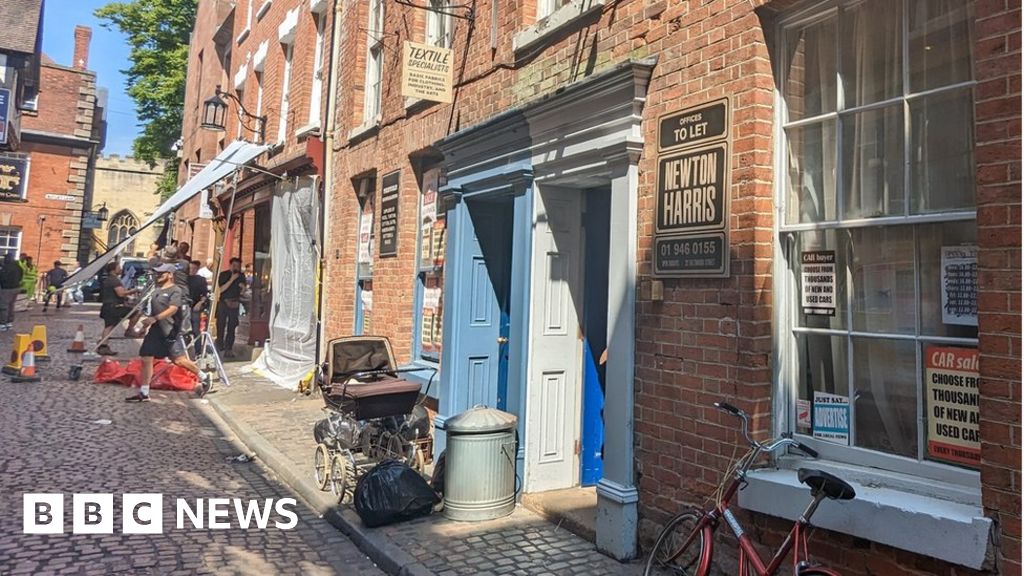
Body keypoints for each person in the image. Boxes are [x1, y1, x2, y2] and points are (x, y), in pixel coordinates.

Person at [126, 263, 210, 402]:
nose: (158, 275)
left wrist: (155, 318)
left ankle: (204, 376)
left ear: (170, 275)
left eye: (162, 273)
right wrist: (145, 327)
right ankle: (144, 392)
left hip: (170, 331)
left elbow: (173, 309)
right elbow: (152, 311)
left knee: (178, 360)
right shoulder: (156, 290)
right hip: (155, 331)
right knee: (146, 357)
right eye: (157, 273)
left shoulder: (175, 290)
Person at [97, 261, 140, 356]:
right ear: (113, 270)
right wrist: (134, 290)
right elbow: (121, 293)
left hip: (108, 307)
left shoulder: (110, 279)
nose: (120, 269)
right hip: (113, 307)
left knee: (109, 327)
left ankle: (103, 346)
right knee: (137, 312)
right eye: (118, 267)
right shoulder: (114, 280)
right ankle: (129, 330)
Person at [216, 257, 247, 358]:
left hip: (234, 302)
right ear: (230, 265)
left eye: (238, 266)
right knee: (220, 324)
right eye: (234, 265)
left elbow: (243, 290)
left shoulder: (241, 276)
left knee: (232, 325)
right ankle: (220, 345)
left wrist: (243, 288)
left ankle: (229, 348)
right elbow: (222, 289)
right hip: (223, 302)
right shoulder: (224, 275)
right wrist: (231, 280)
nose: (236, 268)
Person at [187, 259, 209, 355]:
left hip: (195, 307)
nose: (192, 270)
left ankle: (198, 352)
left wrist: (200, 303)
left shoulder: (200, 280)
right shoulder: (183, 278)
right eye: (190, 268)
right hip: (183, 307)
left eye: (194, 268)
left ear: (197, 269)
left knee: (196, 330)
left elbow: (204, 294)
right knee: (182, 330)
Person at [0, 253, 23, 330]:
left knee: (4, 306)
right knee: (11, 305)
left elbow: (2, 277)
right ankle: (9, 322)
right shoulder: (18, 267)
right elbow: (21, 276)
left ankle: (2, 323)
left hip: (6, 288)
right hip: (16, 288)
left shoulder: (5, 267)